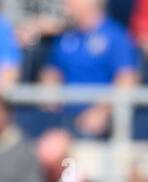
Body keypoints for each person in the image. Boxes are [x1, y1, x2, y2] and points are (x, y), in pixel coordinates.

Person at [40, 0, 139, 138]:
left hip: (99, 123)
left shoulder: (115, 36)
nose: (66, 4)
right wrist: (50, 98)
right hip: (63, 118)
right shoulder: (65, 37)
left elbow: (126, 80)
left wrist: (102, 111)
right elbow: (51, 71)